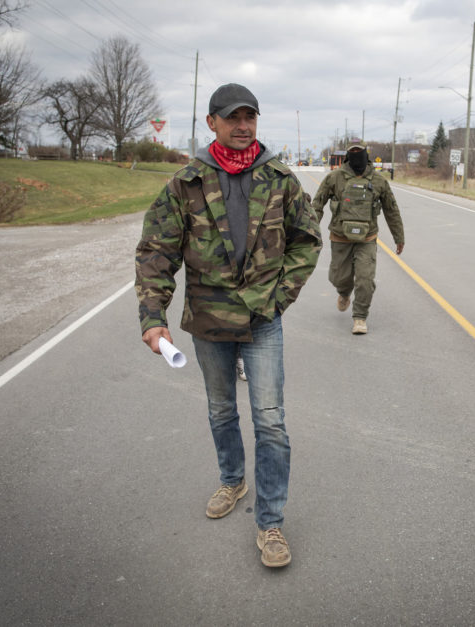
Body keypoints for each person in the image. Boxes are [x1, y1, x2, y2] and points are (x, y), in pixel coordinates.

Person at [135, 83, 321, 568]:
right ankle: (233, 479)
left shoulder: (281, 179)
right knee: (221, 411)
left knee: (271, 421)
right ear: (211, 123)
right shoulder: (186, 184)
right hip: (209, 321)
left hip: (263, 321)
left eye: (250, 117)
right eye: (232, 117)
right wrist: (153, 317)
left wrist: (280, 295)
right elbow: (156, 252)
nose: (243, 126)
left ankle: (271, 521)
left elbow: (308, 241)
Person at [311, 143, 405, 335]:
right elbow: (317, 204)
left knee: (365, 279)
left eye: (359, 153)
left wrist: (399, 237)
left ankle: (360, 317)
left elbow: (391, 210)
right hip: (340, 237)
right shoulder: (334, 178)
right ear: (347, 157)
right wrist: (309, 232)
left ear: (365, 156)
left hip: (367, 238)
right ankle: (344, 292)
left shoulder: (378, 181)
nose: (356, 156)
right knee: (339, 278)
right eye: (352, 153)